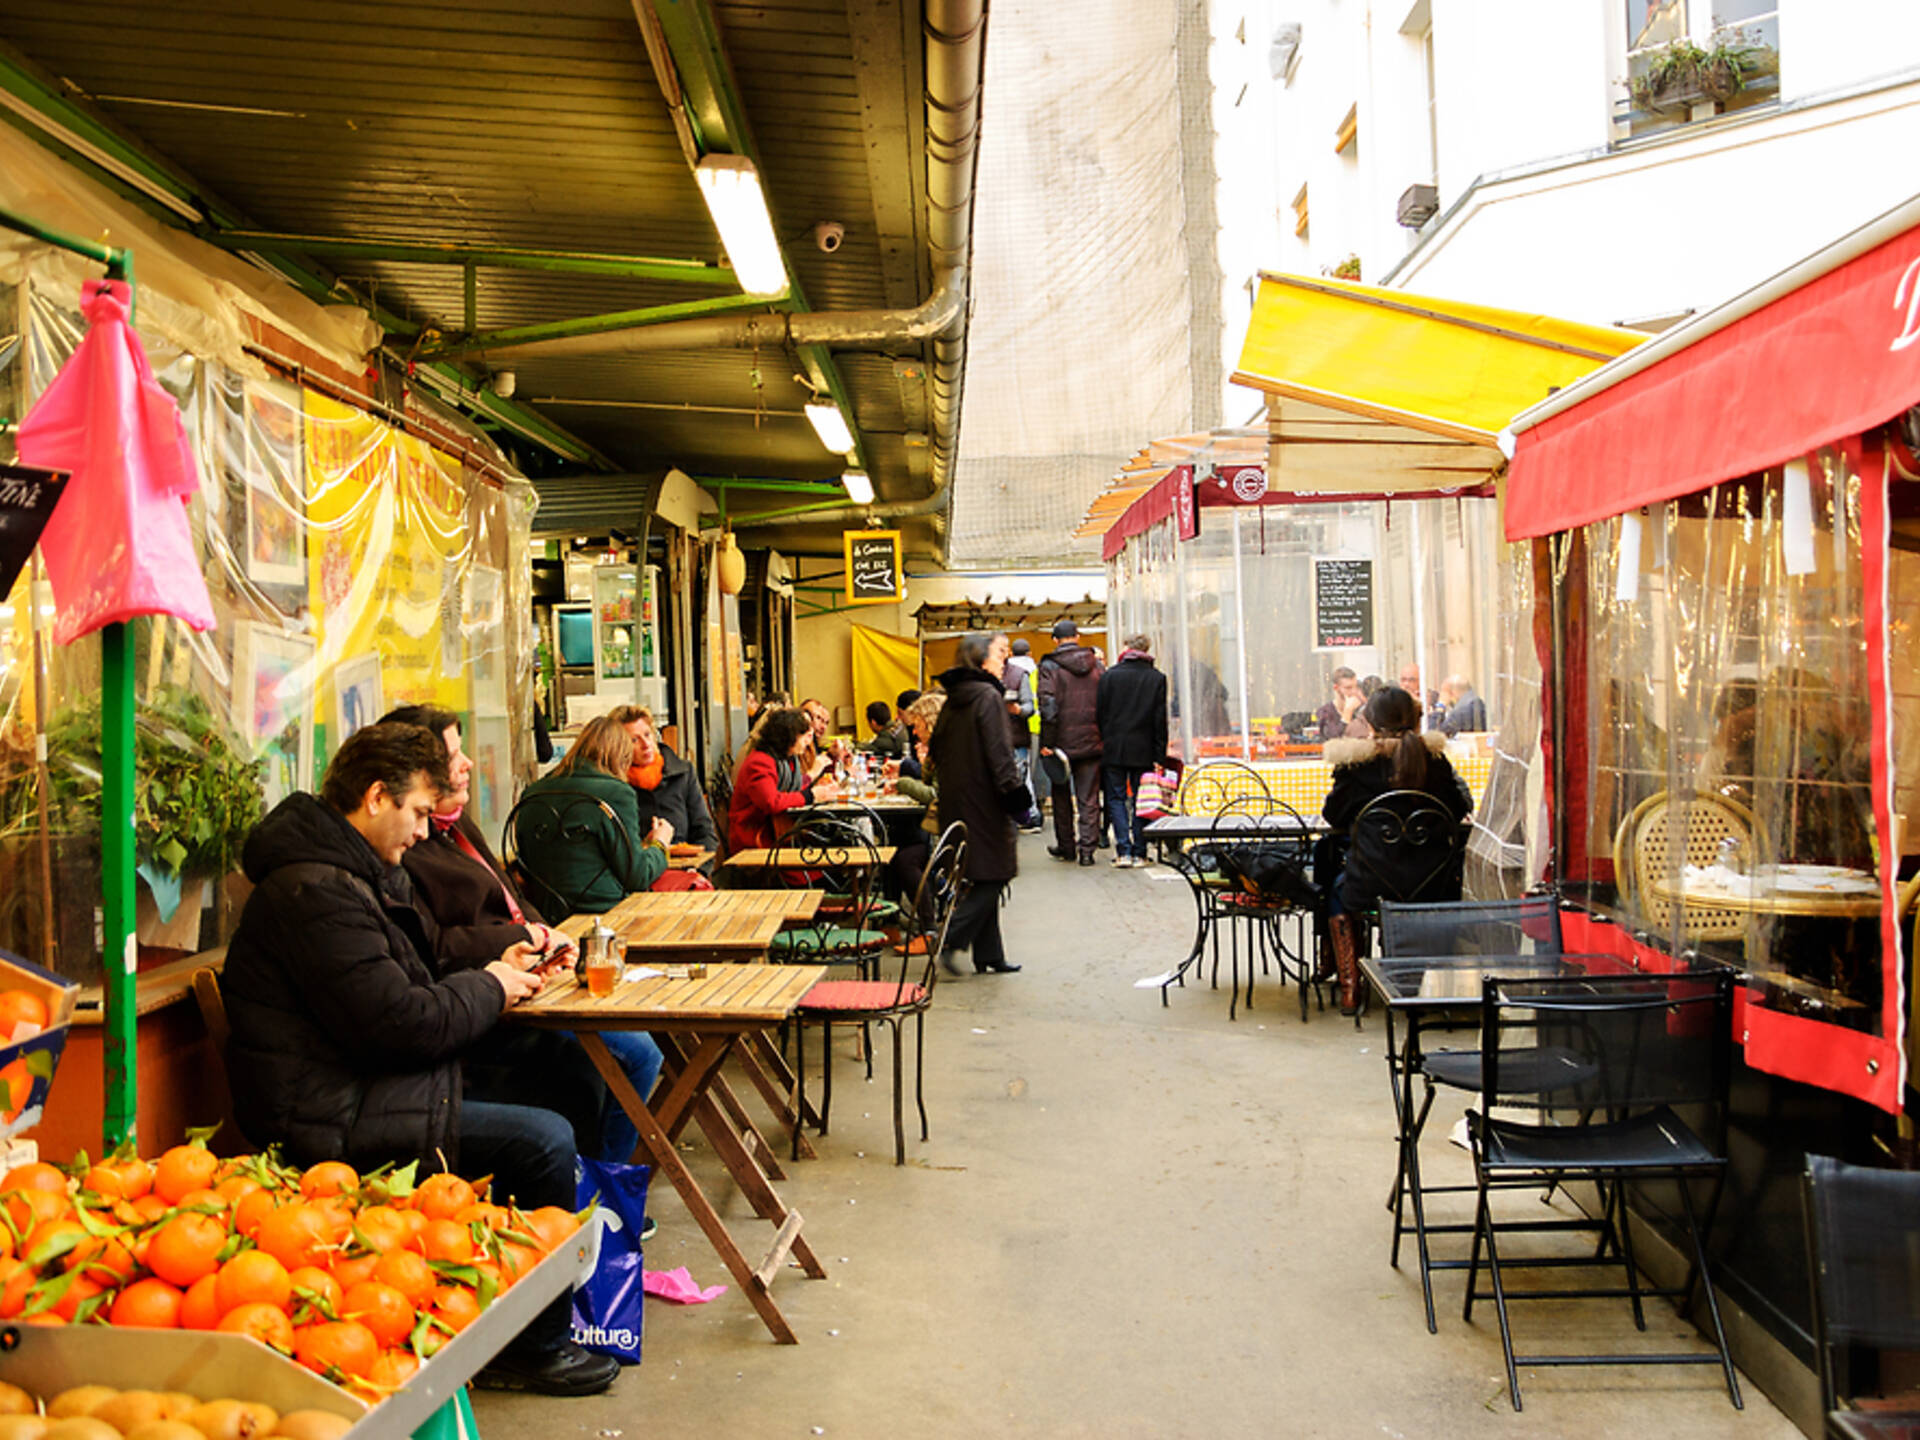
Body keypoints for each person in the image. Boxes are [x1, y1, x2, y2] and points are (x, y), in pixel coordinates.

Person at [220, 722, 619, 1396]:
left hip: (374, 1079)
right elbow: (400, 1024)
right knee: (544, 1139)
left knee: (568, 1072)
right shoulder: (317, 892)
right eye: (415, 813)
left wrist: (501, 965)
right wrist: (490, 986)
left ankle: (534, 1295)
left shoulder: (352, 876)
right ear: (376, 797)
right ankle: (532, 1345)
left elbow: (411, 987)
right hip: (333, 1110)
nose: (421, 831)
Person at [382, 704, 663, 1172]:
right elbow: (432, 947)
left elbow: (514, 895)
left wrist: (546, 935)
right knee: (636, 1052)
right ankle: (605, 1187)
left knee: (638, 1034)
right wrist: (521, 939)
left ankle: (598, 1187)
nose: (469, 762)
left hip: (540, 967)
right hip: (494, 1000)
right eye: (455, 755)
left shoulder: (462, 826)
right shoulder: (411, 846)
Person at [1320, 686, 1473, 1014]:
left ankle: (1351, 988)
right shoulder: (1435, 763)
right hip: (1434, 887)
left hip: (1370, 889)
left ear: (1370, 725)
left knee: (1335, 887)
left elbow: (1333, 815)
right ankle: (1430, 982)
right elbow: (1459, 808)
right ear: (1417, 723)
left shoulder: (1355, 767)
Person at [930, 633, 1028, 973]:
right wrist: (1017, 798)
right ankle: (953, 938)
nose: (1004, 661)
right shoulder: (987, 697)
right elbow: (1000, 754)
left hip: (957, 801)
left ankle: (989, 954)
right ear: (980, 659)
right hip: (986, 802)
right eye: (998, 654)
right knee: (996, 873)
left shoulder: (954, 699)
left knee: (980, 873)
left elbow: (935, 751)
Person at [514, 715, 671, 915]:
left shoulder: (533, 792)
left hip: (544, 915)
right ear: (622, 755)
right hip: (602, 914)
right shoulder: (616, 793)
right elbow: (637, 876)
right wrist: (660, 844)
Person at [610, 704, 719, 871]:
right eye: (634, 740)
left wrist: (700, 871)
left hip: (686, 873)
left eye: (647, 735)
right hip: (639, 877)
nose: (645, 744)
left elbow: (705, 832)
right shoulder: (614, 784)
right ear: (618, 747)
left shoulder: (682, 772)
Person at [1095, 634, 1168, 868]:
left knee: (1115, 798)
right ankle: (1140, 851)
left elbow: (1100, 713)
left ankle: (1123, 851)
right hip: (1144, 748)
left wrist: (1106, 738)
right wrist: (1160, 754)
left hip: (1114, 746)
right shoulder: (1156, 678)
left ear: (1126, 649)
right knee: (1141, 799)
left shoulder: (1109, 676)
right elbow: (1160, 720)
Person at [1037, 618, 1105, 866]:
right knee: (1089, 798)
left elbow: (1048, 705)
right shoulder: (1097, 665)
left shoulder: (1049, 666)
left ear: (1055, 640)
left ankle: (1067, 846)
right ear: (1077, 636)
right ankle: (1087, 851)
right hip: (1092, 740)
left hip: (1061, 743)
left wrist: (1048, 741)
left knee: (1061, 796)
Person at [729, 707, 841, 852]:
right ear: (789, 736)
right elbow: (771, 802)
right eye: (805, 736)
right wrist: (811, 795)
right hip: (757, 839)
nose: (808, 742)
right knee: (829, 848)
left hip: (780, 831)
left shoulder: (786, 759)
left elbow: (792, 789)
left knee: (834, 840)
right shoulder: (759, 762)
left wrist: (819, 788)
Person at [1003, 640, 1043, 816]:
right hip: (1033, 726)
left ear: (1010, 653)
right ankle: (1029, 812)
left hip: (1017, 727)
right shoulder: (1034, 671)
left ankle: (1028, 812)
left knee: (1019, 776)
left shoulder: (1015, 673)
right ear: (1030, 653)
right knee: (1025, 774)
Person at [1316, 666, 1365, 741]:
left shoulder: (1361, 710)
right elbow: (1334, 740)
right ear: (1336, 688)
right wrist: (1348, 711)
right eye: (1348, 688)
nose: (1354, 692)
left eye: (1355, 687)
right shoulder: (1325, 712)